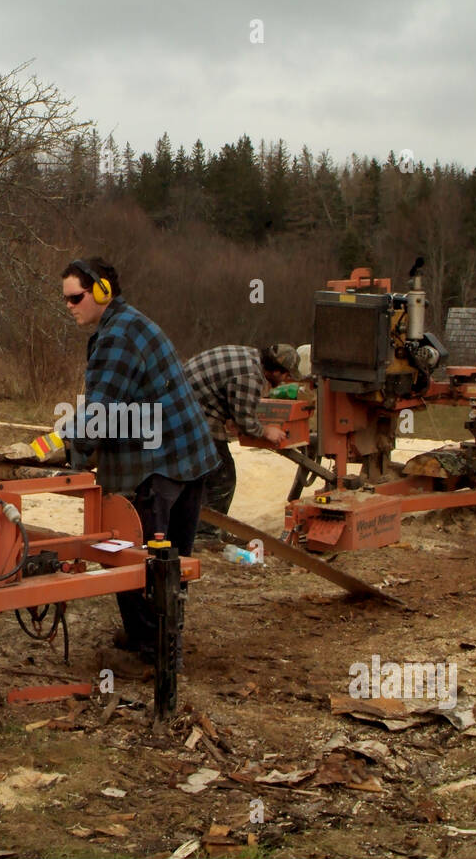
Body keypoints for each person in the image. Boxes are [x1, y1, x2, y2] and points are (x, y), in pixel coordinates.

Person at [58, 257, 220, 662]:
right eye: (65, 299)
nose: (70, 306)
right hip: (186, 459)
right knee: (169, 564)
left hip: (162, 466)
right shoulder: (127, 324)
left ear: (101, 291)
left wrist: (65, 448)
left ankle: (157, 651)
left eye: (76, 297)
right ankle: (159, 641)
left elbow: (99, 413)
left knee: (132, 558)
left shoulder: (118, 338)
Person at [184, 343, 299, 543]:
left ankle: (197, 526)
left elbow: (226, 390)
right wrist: (266, 431)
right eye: (285, 375)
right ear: (275, 370)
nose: (284, 380)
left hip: (188, 400)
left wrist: (231, 416)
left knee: (202, 473)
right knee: (222, 474)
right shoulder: (251, 378)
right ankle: (205, 534)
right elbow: (246, 422)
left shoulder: (250, 356)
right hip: (190, 412)